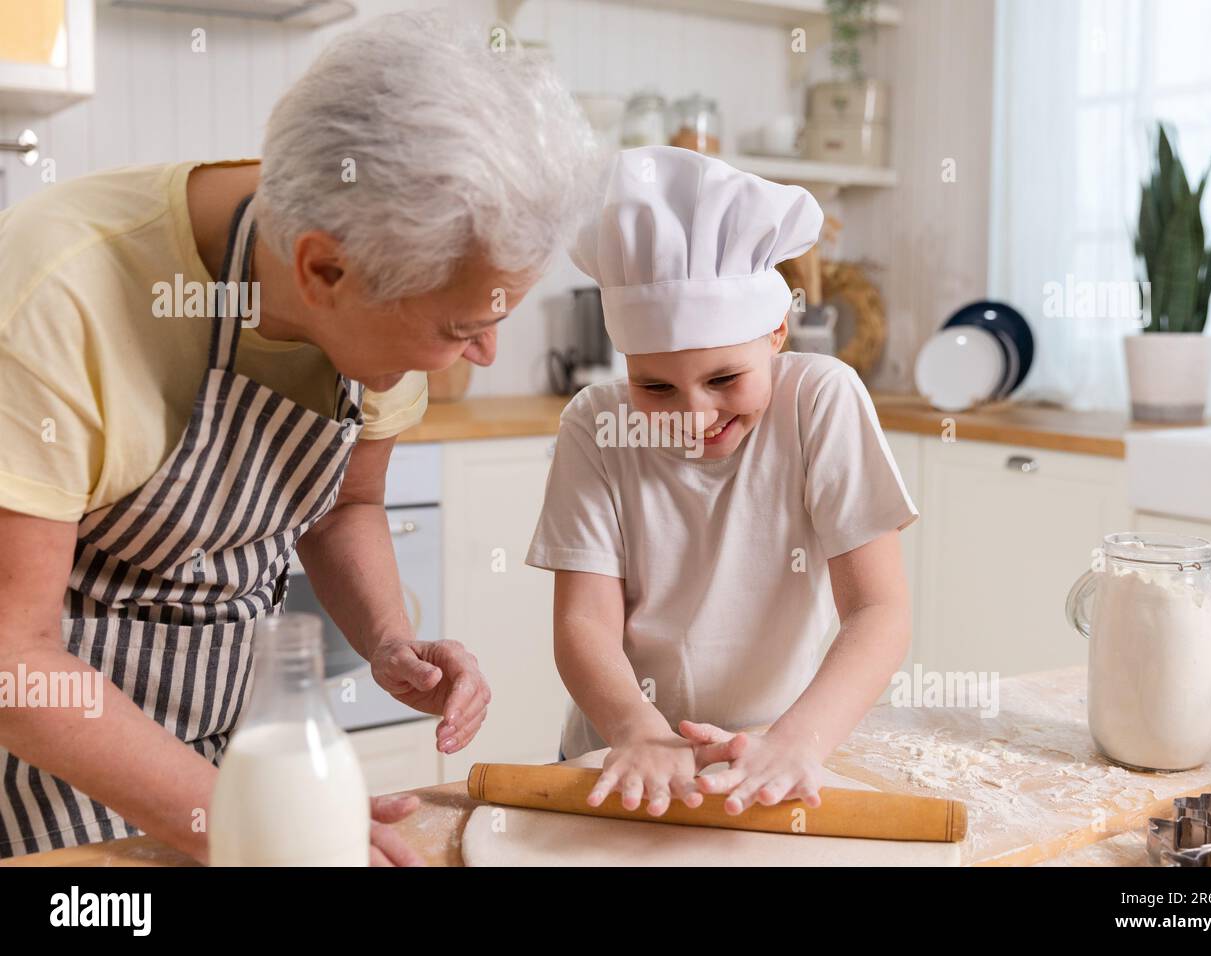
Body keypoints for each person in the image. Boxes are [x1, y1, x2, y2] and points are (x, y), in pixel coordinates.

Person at [0, 10, 599, 862]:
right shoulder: (56, 298)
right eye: (463, 325)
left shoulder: (386, 266)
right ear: (323, 269)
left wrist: (390, 639)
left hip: (240, 746)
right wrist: (248, 825)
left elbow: (343, 505)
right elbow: (13, 664)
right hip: (42, 769)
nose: (486, 352)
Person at [527, 146, 917, 816]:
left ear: (776, 335)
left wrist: (798, 742)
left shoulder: (820, 401)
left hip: (774, 758)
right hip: (622, 757)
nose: (694, 414)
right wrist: (638, 731)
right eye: (655, 386)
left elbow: (878, 610)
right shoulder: (595, 424)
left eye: (723, 380)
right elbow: (584, 622)